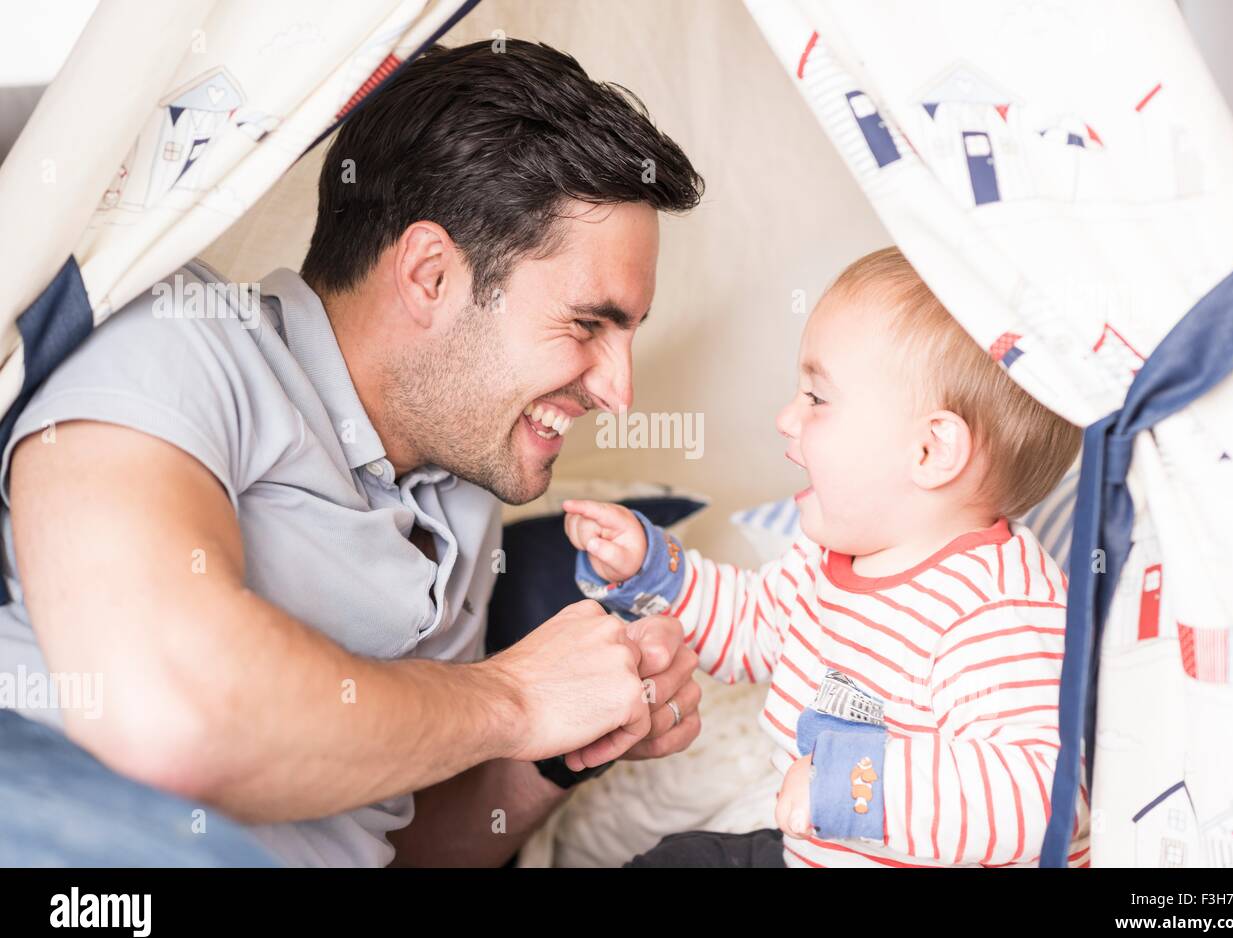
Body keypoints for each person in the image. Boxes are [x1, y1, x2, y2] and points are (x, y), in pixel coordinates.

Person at [0, 39, 705, 867]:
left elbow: (394, 845)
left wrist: (558, 743)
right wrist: (515, 695)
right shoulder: (180, 343)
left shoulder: (462, 492)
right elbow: (171, 717)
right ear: (432, 275)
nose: (620, 393)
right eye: (589, 324)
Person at [564, 247, 1092, 867]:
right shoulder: (827, 555)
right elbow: (753, 624)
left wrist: (853, 786)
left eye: (817, 398)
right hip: (813, 855)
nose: (787, 419)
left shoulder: (1000, 608)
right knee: (676, 860)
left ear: (930, 450)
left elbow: (1042, 797)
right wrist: (655, 572)